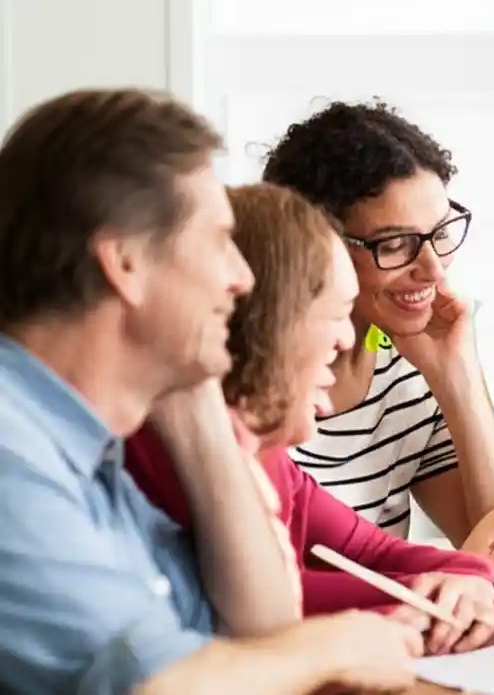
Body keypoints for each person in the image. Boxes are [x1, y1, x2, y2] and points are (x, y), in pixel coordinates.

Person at [0, 89, 424, 694]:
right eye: (219, 241)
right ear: (125, 264)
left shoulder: (94, 453)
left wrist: (197, 400)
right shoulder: (15, 454)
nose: (243, 278)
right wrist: (337, 645)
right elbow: (156, 685)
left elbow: (258, 628)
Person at [125, 183, 494, 656]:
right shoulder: (174, 451)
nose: (349, 341)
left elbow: (371, 552)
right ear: (276, 322)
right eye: (335, 316)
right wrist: (427, 597)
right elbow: (276, 597)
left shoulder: (268, 456)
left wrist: (467, 576)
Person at [262, 102, 494, 577]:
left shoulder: (404, 371)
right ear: (315, 246)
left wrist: (458, 377)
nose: (432, 269)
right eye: (394, 245)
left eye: (440, 232)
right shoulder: (245, 388)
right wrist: (444, 577)